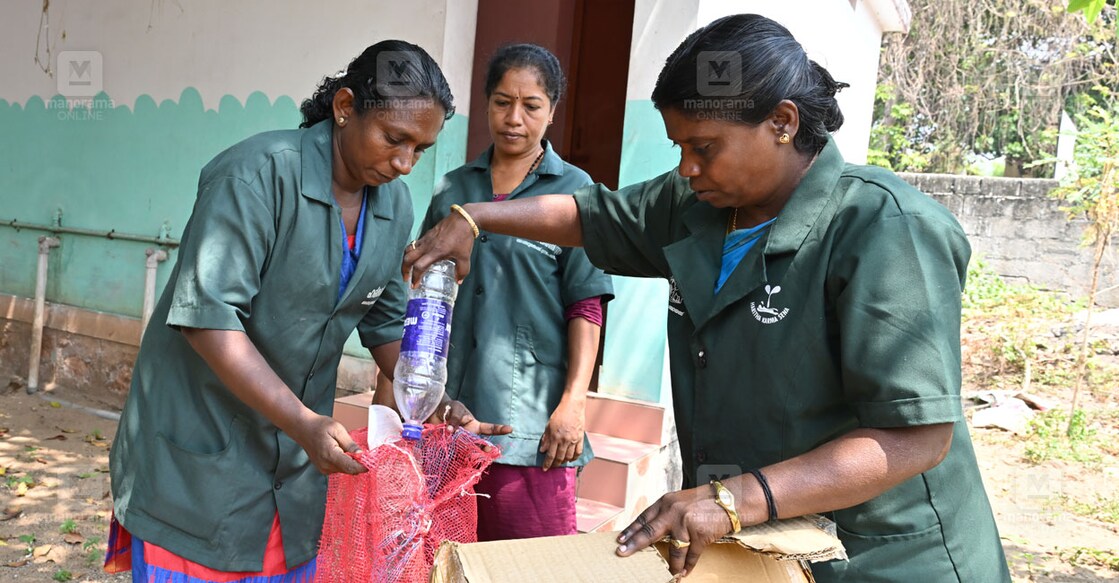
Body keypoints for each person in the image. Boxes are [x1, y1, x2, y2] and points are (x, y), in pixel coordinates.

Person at [403, 14, 1010, 582]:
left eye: (705, 147)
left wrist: (736, 498)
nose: (687, 168)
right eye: (679, 149)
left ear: (783, 123)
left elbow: (916, 435)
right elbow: (592, 216)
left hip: (884, 556)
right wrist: (473, 217)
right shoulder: (696, 205)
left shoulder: (883, 229)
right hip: (762, 547)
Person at [106, 40, 509, 581]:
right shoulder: (255, 175)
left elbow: (386, 320)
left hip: (294, 469)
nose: (404, 163)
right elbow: (208, 319)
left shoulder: (392, 204)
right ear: (345, 108)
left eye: (420, 148)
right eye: (394, 139)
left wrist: (431, 401)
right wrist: (304, 424)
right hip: (201, 454)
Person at [417, 44, 614, 541]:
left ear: (552, 111)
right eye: (502, 102)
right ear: (485, 103)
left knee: (529, 563)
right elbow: (422, 295)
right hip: (451, 413)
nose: (514, 118)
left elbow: (586, 305)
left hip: (530, 423)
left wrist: (574, 404)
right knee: (447, 558)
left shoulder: (575, 192)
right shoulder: (453, 190)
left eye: (531, 105)